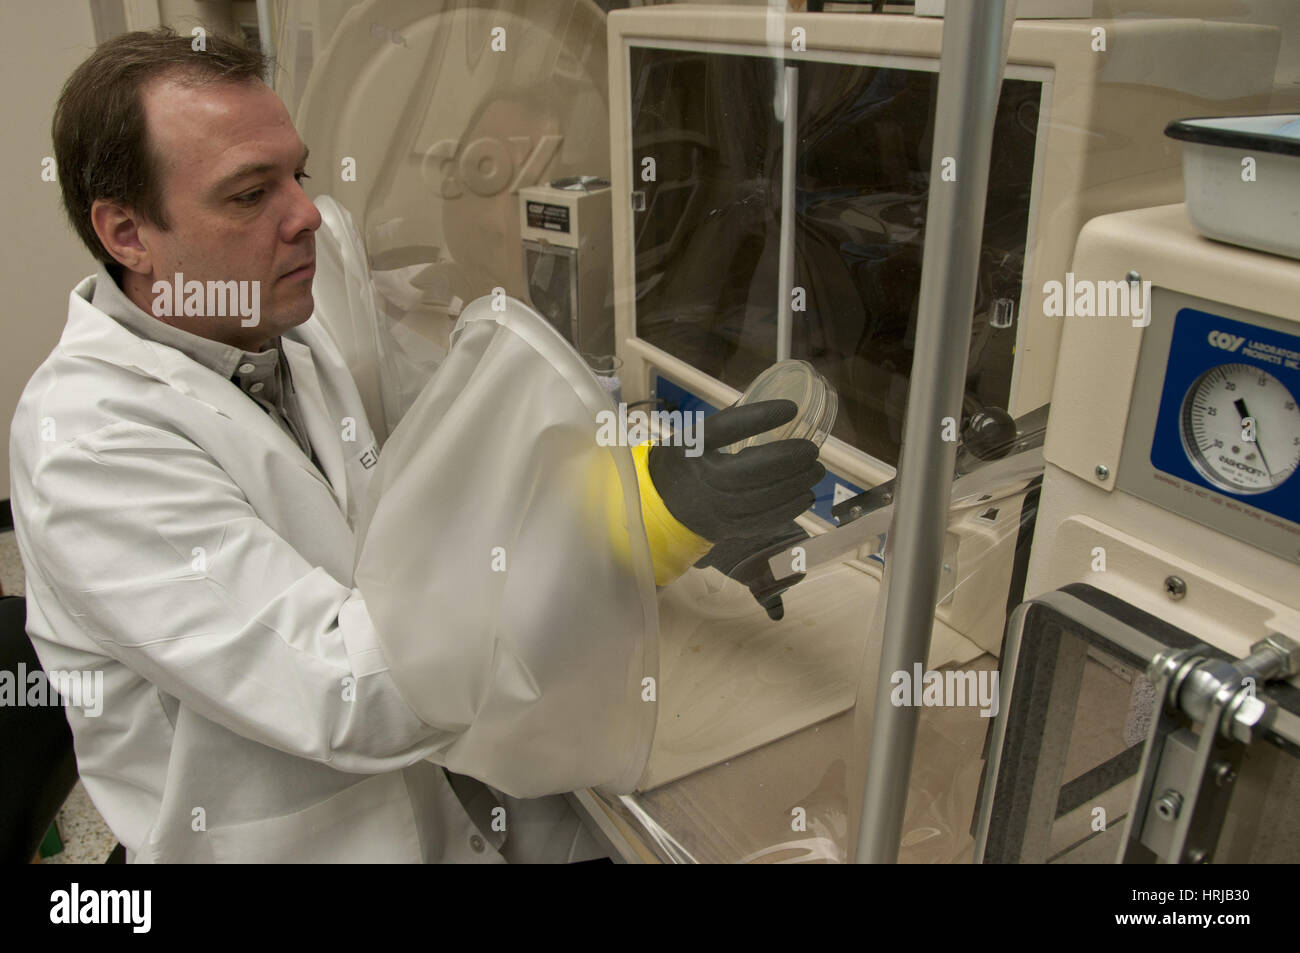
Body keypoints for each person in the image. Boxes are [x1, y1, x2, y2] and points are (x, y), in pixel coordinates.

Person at [9, 28, 823, 863]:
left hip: (453, 790)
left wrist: (661, 491)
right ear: (128, 234)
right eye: (251, 194)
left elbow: (466, 472)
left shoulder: (289, 305)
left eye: (300, 174)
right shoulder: (87, 445)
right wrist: (641, 531)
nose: (305, 217)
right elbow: (350, 685)